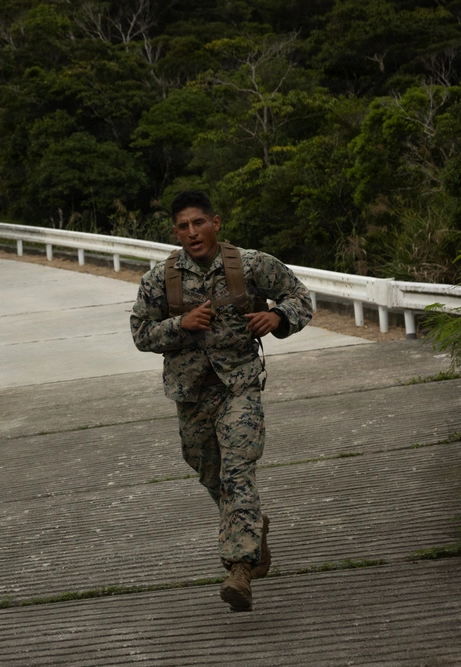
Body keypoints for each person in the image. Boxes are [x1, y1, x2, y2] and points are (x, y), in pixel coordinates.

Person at [130, 190, 312, 612]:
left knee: (237, 473)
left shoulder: (251, 264)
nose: (192, 232)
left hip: (239, 386)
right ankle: (251, 527)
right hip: (191, 394)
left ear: (216, 222)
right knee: (210, 473)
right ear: (175, 231)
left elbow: (300, 296)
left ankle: (239, 571)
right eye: (183, 226)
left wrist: (278, 317)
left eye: (199, 222)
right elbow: (141, 334)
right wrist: (180, 324)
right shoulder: (160, 279)